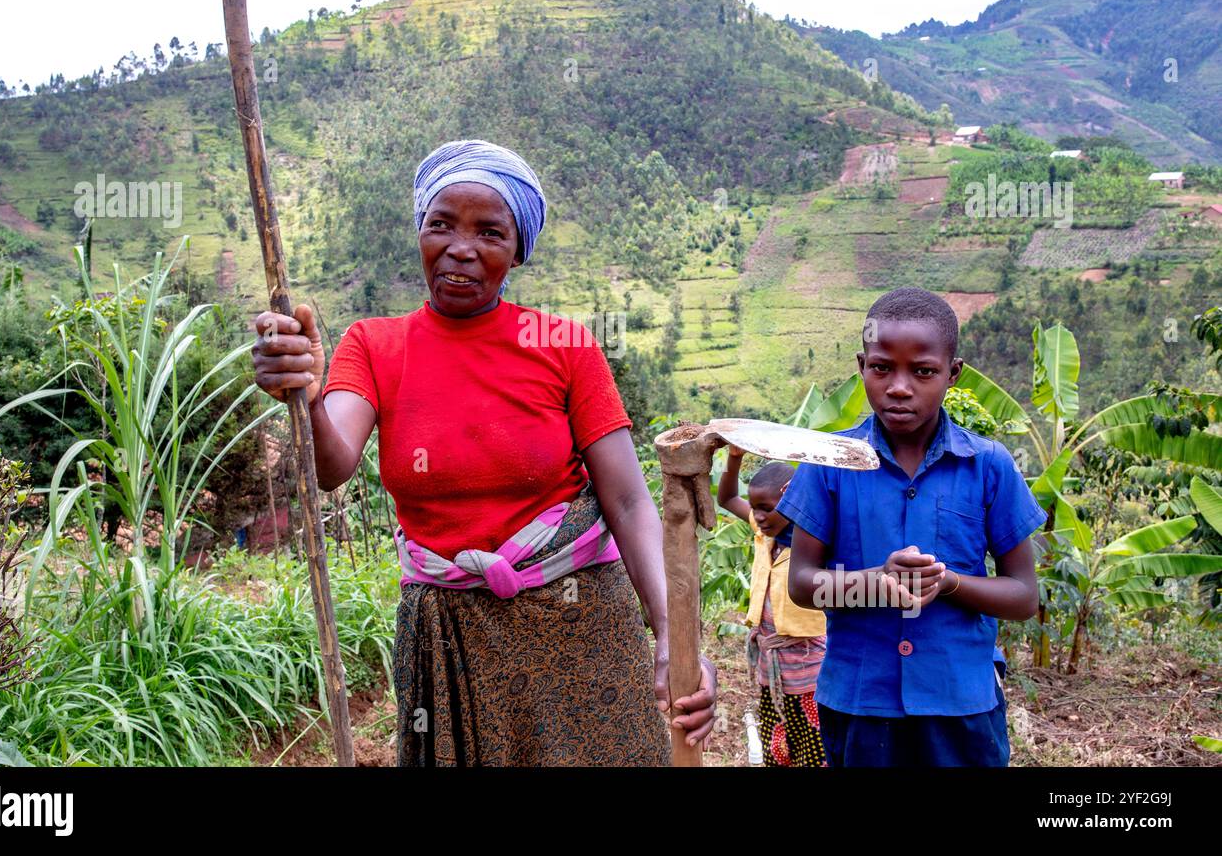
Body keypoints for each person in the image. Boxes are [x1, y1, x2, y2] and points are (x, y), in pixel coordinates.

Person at [251, 139, 716, 766]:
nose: (461, 247)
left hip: (581, 626)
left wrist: (671, 634)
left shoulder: (563, 344)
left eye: (489, 232)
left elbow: (629, 501)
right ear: (420, 232)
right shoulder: (375, 345)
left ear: (518, 251)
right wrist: (305, 395)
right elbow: (332, 466)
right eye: (440, 224)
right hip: (449, 636)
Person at [780, 287, 1044, 767]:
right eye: (882, 368)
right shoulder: (828, 462)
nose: (899, 387)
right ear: (862, 366)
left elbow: (1024, 596)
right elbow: (802, 585)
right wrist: (875, 585)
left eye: (923, 371)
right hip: (860, 703)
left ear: (953, 374)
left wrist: (948, 584)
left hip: (961, 705)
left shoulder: (988, 466)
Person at [717, 449, 827, 767]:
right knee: (778, 749)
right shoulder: (767, 535)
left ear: (792, 499)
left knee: (816, 752)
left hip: (810, 669)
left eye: (766, 508)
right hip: (771, 666)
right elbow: (725, 498)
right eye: (755, 510)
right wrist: (734, 457)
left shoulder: (816, 542)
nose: (759, 517)